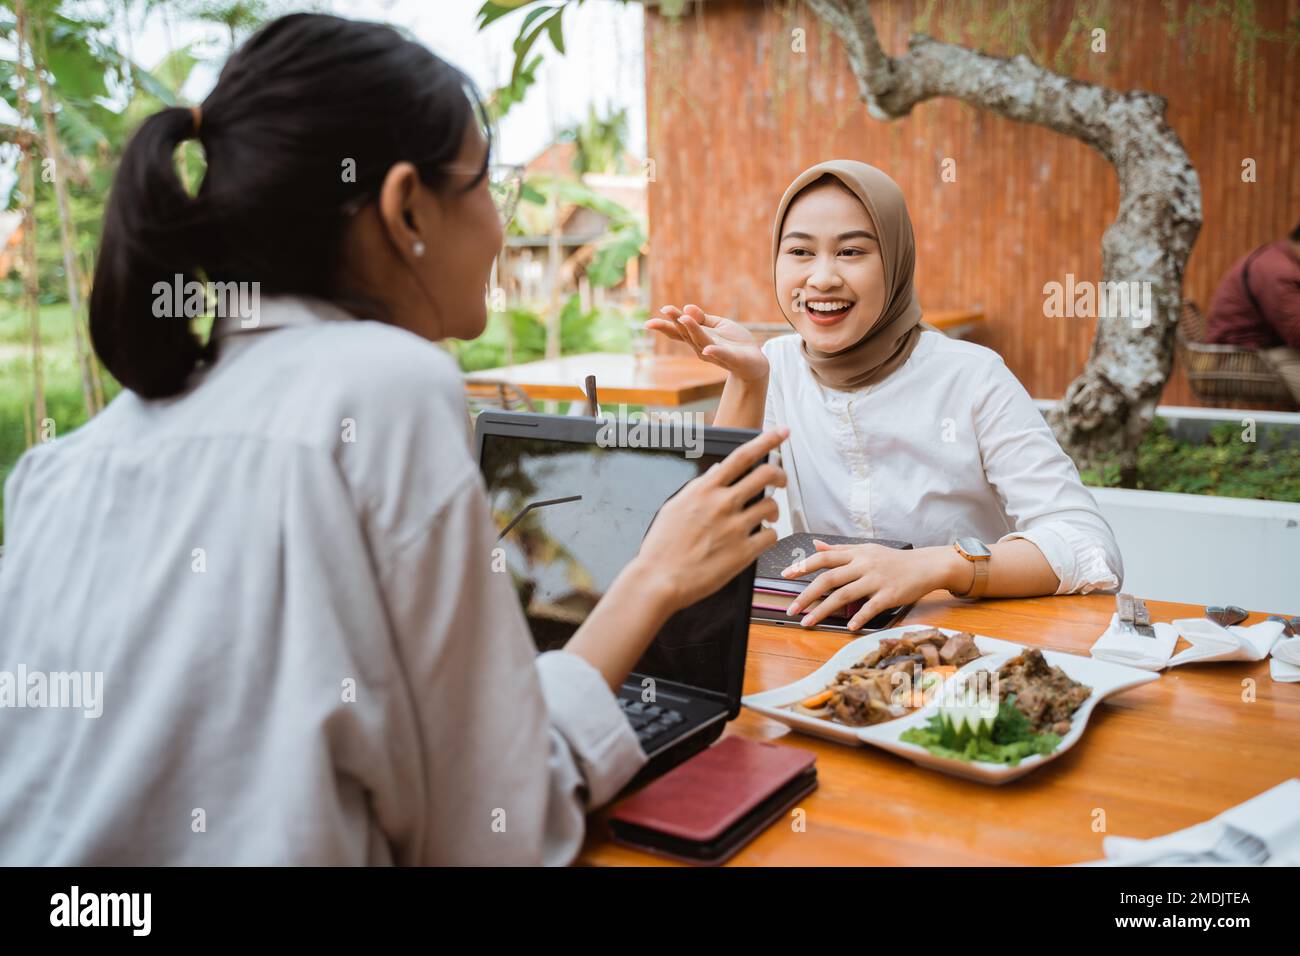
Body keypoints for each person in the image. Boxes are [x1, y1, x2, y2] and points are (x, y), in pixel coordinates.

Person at [0, 13, 787, 865]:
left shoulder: (61, 464)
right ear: (406, 205)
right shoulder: (379, 382)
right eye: (488, 184)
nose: (498, 224)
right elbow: (494, 828)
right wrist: (655, 577)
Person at [647, 161, 1122, 630]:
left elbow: (1090, 547)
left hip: (968, 653)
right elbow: (709, 542)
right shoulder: (776, 367)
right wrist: (747, 381)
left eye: (851, 252)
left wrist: (939, 566)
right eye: (800, 252)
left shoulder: (973, 377)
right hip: (830, 648)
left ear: (895, 261)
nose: (822, 278)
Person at [1205, 222, 1300, 404]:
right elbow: (1297, 333)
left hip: (1263, 350)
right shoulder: (1278, 270)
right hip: (1240, 358)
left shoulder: (1281, 257)